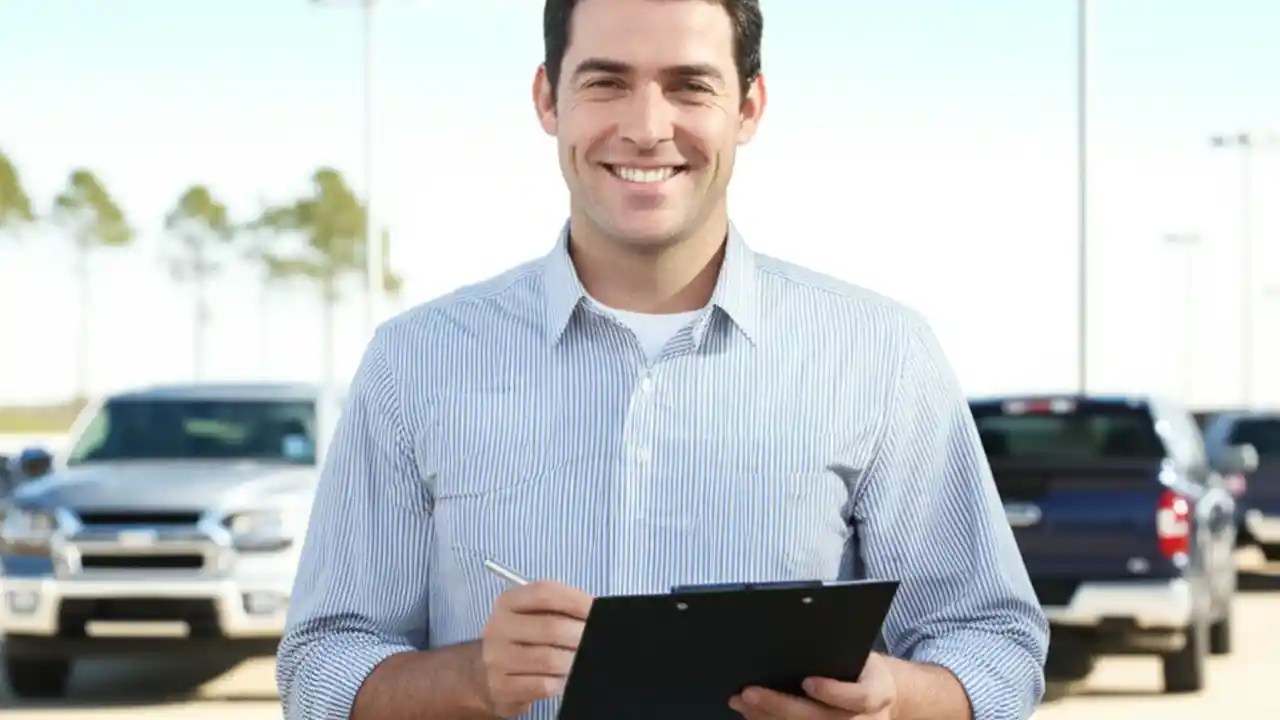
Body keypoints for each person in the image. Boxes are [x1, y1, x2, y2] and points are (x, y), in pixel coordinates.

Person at [276, 0, 1049, 718]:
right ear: (549, 100)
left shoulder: (881, 356)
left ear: (749, 107)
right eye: (607, 82)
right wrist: (470, 677)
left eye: (689, 86)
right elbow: (320, 665)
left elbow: (996, 648)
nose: (647, 127)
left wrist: (893, 699)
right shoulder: (416, 363)